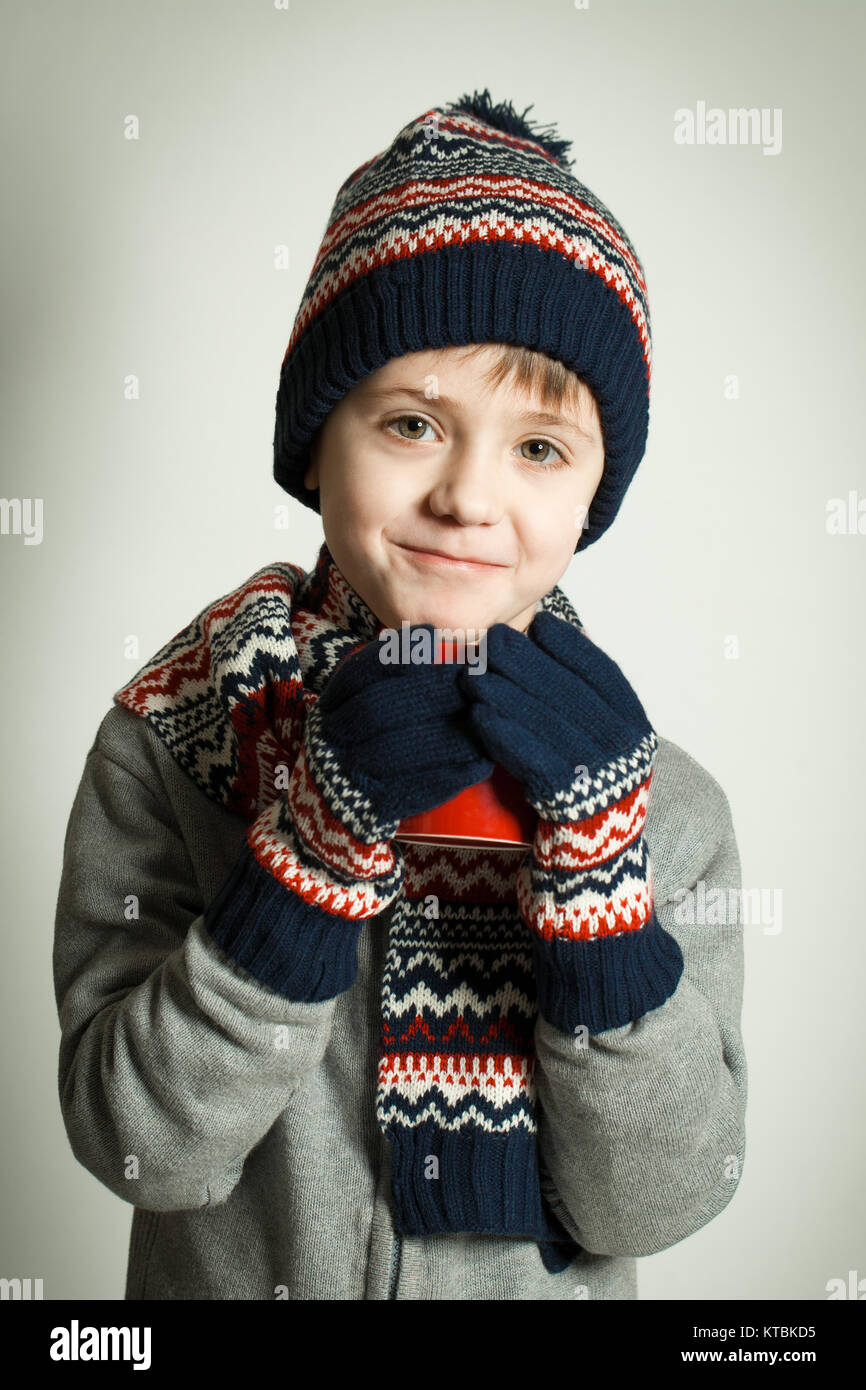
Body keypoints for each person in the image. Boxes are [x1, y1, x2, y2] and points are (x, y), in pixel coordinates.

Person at [53, 89, 747, 1300]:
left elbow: (658, 1199)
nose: (469, 497)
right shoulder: (177, 741)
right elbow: (138, 1150)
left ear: (592, 491)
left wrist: (596, 891)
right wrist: (304, 856)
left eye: (538, 448)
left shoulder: (655, 802)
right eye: (413, 423)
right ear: (317, 442)